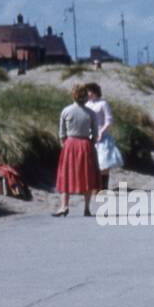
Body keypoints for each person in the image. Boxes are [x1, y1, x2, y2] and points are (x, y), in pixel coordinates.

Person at [54, 83, 100, 216]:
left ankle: (64, 206)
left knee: (66, 175)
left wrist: (65, 143)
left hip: (70, 143)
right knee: (87, 176)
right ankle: (86, 208)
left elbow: (61, 133)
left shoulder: (66, 110)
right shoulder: (90, 113)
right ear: (85, 97)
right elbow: (95, 134)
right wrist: (90, 143)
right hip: (85, 144)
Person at [84, 82, 124, 192]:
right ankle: (94, 186)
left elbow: (109, 120)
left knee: (104, 162)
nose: (88, 93)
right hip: (90, 136)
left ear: (95, 91)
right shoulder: (87, 104)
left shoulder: (103, 103)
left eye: (90, 91)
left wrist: (101, 132)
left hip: (102, 136)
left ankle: (103, 187)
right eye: (87, 91)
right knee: (92, 163)